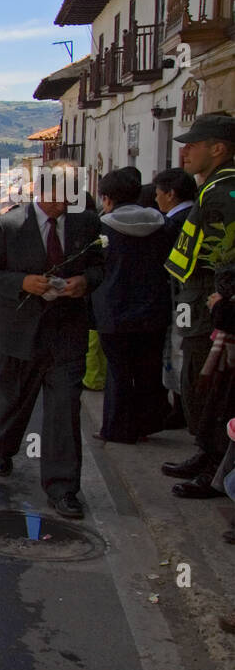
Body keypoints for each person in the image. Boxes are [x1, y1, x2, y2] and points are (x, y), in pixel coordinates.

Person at [0, 159, 104, 519]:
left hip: (66, 334)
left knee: (64, 409)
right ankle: (3, 450)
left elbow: (99, 266)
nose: (62, 203)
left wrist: (86, 282)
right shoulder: (8, 225)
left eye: (69, 195)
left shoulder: (86, 224)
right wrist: (21, 283)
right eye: (56, 195)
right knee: (14, 402)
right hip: (21, 334)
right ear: (40, 190)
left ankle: (63, 488)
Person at [161, 112, 235, 496]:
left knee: (206, 387)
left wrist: (225, 290)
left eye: (193, 145)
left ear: (218, 149)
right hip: (198, 303)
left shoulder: (226, 191)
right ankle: (207, 456)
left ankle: (215, 466)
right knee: (198, 384)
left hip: (209, 308)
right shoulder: (214, 187)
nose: (184, 151)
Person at [91, 168, 171, 444]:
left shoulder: (102, 228)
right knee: (148, 368)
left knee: (118, 371)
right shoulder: (162, 224)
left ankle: (117, 429)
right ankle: (145, 424)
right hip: (155, 308)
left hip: (114, 309)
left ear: (108, 198)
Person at [155, 167, 199, 429]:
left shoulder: (174, 223)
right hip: (185, 298)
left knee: (178, 354)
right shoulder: (191, 214)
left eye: (159, 193)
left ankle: (183, 411)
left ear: (170, 194)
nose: (156, 199)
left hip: (180, 299)